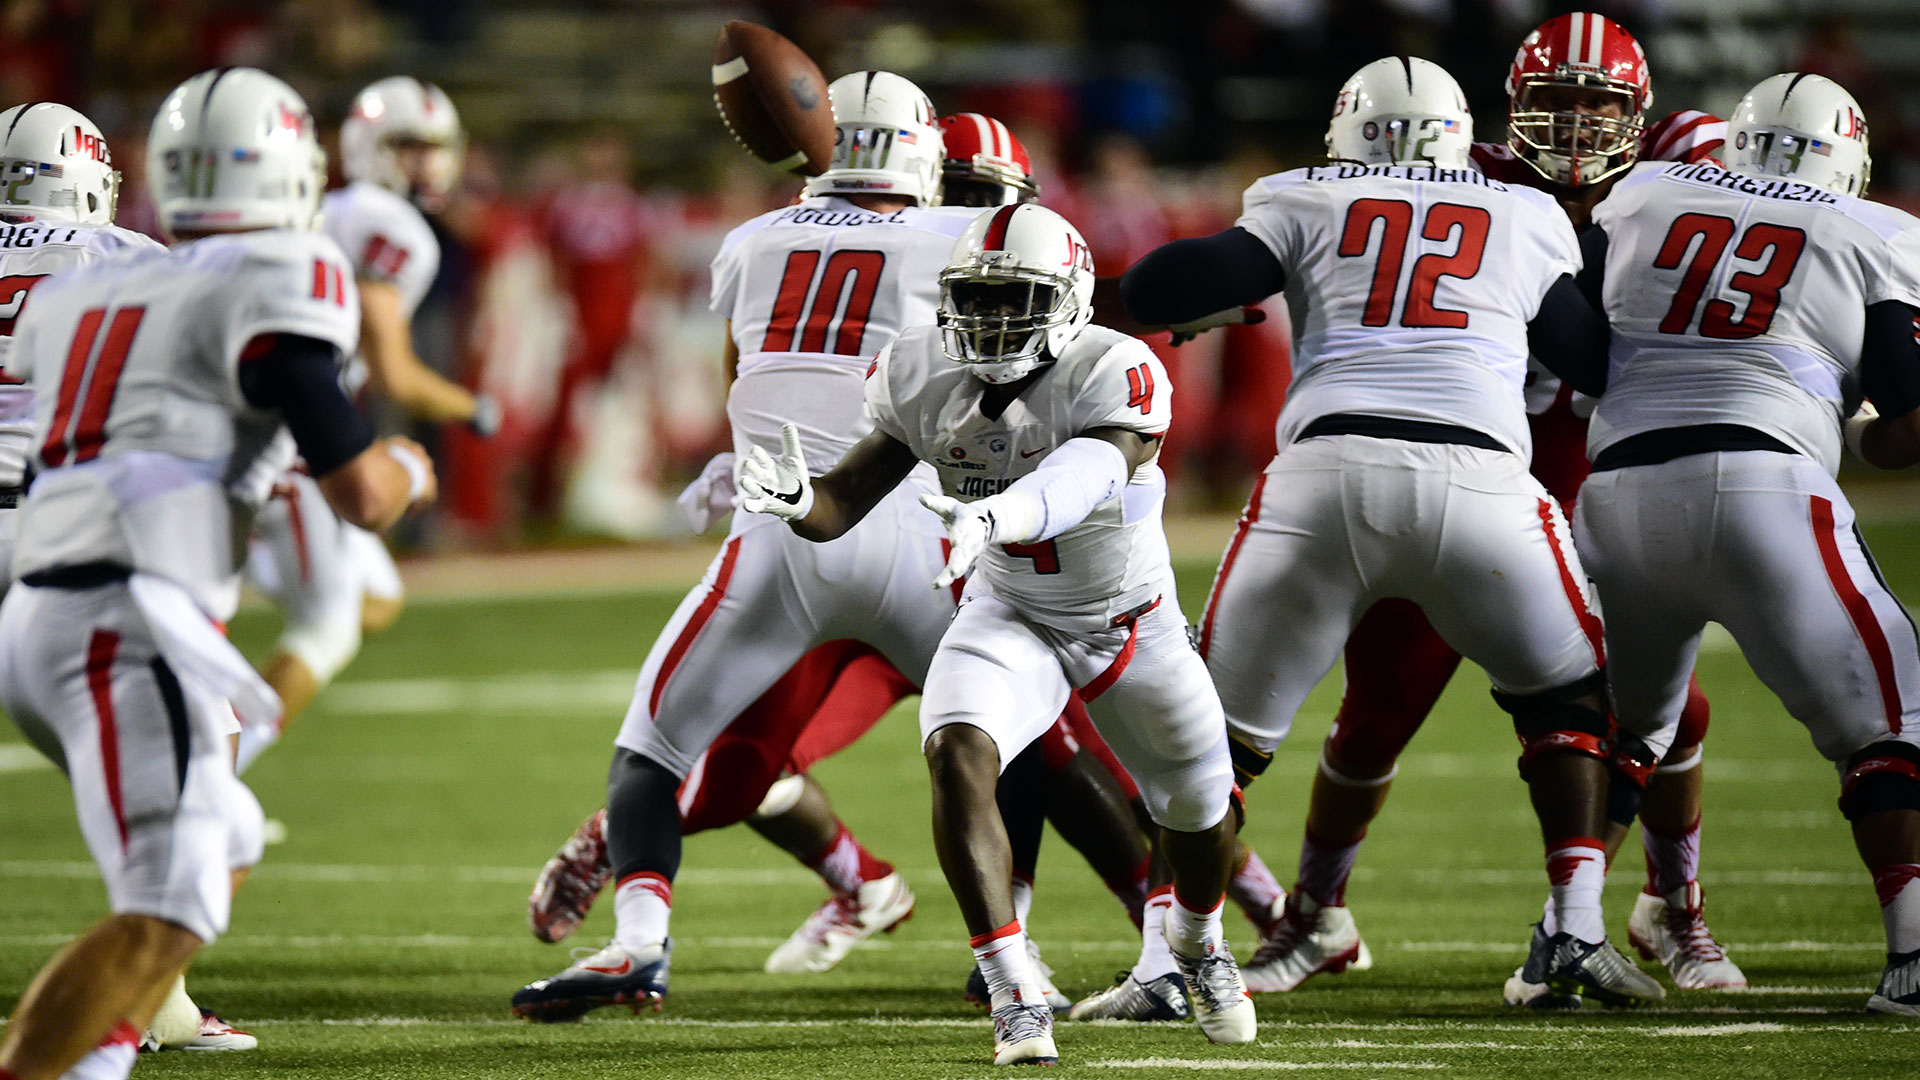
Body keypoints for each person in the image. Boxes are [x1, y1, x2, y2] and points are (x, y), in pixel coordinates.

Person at [1123, 55, 1663, 1009]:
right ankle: (1574, 928)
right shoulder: (1527, 214)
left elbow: (1170, 284)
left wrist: (1246, 284)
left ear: (1344, 131)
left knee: (1209, 744)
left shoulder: (1302, 194)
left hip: (1323, 483)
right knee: (1573, 706)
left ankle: (1174, 960)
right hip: (1483, 481)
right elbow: (1589, 358)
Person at [1245, 13, 1745, 1005]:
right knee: (1379, 705)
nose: (1572, 123)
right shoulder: (1460, 173)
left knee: (1664, 708)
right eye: (1552, 102)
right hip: (1479, 462)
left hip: (1604, 471)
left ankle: (1668, 906)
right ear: (1508, 111)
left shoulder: (1681, 172)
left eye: (1596, 102)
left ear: (1636, 113)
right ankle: (1314, 912)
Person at [508, 71, 989, 1023]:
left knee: (650, 752)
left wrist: (747, 454)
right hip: (922, 532)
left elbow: (743, 370)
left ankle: (641, 947)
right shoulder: (960, 232)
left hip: (782, 536)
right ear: (921, 154)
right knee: (1036, 741)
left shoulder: (752, 238)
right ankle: (1145, 937)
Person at [742, 202, 1257, 1065]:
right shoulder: (918, 371)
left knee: (1199, 812)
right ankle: (1014, 988)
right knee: (955, 747)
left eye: (1013, 299)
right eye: (974, 299)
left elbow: (1083, 474)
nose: (987, 320)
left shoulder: (1115, 369)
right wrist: (800, 503)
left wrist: (997, 517)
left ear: (1069, 301)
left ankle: (1198, 947)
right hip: (1012, 609)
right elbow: (841, 507)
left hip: (1126, 621)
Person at [0, 67, 435, 1080]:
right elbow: (357, 488)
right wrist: (405, 467)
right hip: (107, 590)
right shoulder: (188, 267)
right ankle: (90, 1041)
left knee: (218, 827)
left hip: (58, 573)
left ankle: (146, 1017)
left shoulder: (115, 289)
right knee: (173, 889)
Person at [1572, 72, 1920, 1016]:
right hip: (1768, 483)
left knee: (1621, 734)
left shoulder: (1644, 190)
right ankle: (1914, 957)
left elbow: (1563, 333)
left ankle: (1565, 940)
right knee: (1894, 721)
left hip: (1616, 488)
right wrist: (1852, 431)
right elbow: (1911, 421)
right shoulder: (1880, 230)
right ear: (1847, 154)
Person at [238, 74, 496, 773]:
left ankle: (253, 562)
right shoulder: (395, 229)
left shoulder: (333, 208)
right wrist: (470, 408)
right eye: (409, 145)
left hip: (274, 418)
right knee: (329, 625)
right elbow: (395, 372)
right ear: (367, 145)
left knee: (376, 597)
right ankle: (211, 776)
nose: (427, 162)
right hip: (289, 436)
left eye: (435, 148)